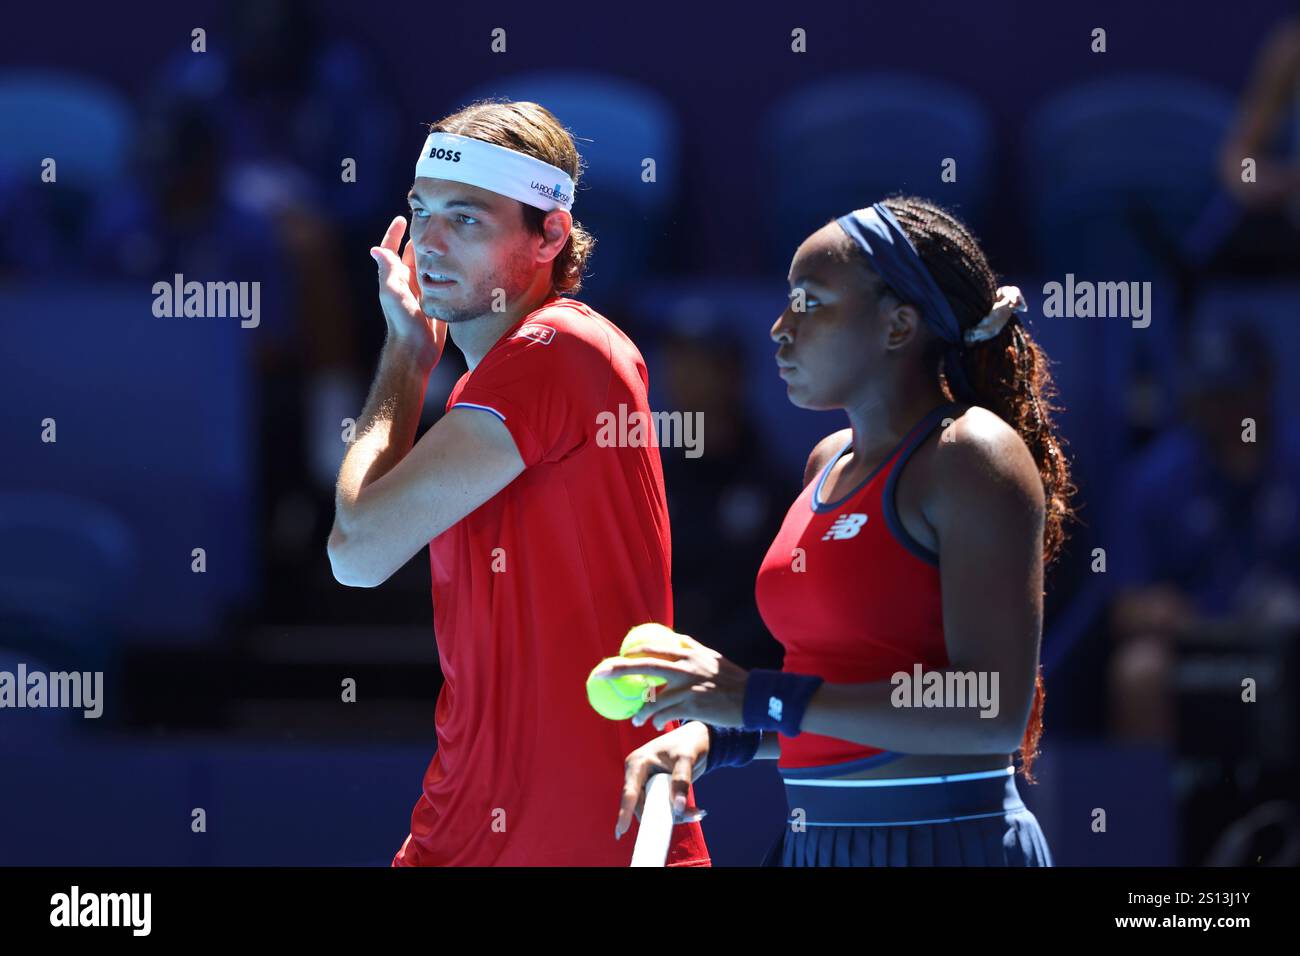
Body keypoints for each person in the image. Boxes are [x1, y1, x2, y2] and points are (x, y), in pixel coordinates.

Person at [599, 197, 1074, 866]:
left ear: (898, 325)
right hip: (814, 843)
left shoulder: (971, 454)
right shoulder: (826, 461)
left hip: (948, 847)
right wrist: (720, 736)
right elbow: (831, 697)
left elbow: (990, 709)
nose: (779, 328)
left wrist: (756, 696)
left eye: (810, 302)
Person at [327, 100, 709, 866]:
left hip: (588, 839)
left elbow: (357, 550)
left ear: (551, 236)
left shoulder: (559, 348)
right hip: (466, 822)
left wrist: (405, 359)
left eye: (466, 220)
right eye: (421, 212)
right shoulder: (500, 381)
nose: (428, 245)